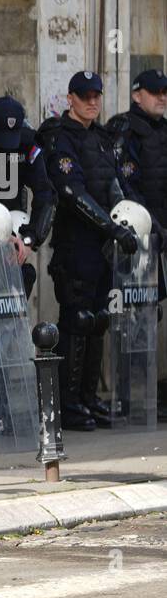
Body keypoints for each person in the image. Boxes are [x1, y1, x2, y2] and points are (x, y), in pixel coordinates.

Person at [38, 71, 140, 430]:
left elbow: (115, 185)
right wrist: (112, 228)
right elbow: (71, 193)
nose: (92, 102)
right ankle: (67, 404)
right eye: (84, 96)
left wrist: (128, 220)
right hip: (75, 243)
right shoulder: (59, 137)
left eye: (96, 95)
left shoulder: (101, 137)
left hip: (103, 245)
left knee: (99, 320)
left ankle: (88, 397)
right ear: (70, 99)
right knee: (77, 320)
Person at [108, 68, 167, 417]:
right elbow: (125, 187)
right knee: (132, 316)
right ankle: (129, 397)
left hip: (160, 235)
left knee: (152, 313)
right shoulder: (123, 131)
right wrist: (153, 226)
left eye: (164, 91)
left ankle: (149, 396)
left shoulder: (163, 130)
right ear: (136, 95)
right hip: (135, 237)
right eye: (154, 91)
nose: (161, 97)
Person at [0, 95, 56, 298]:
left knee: (21, 280)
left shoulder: (28, 141)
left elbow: (45, 193)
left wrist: (30, 238)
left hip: (12, 225)